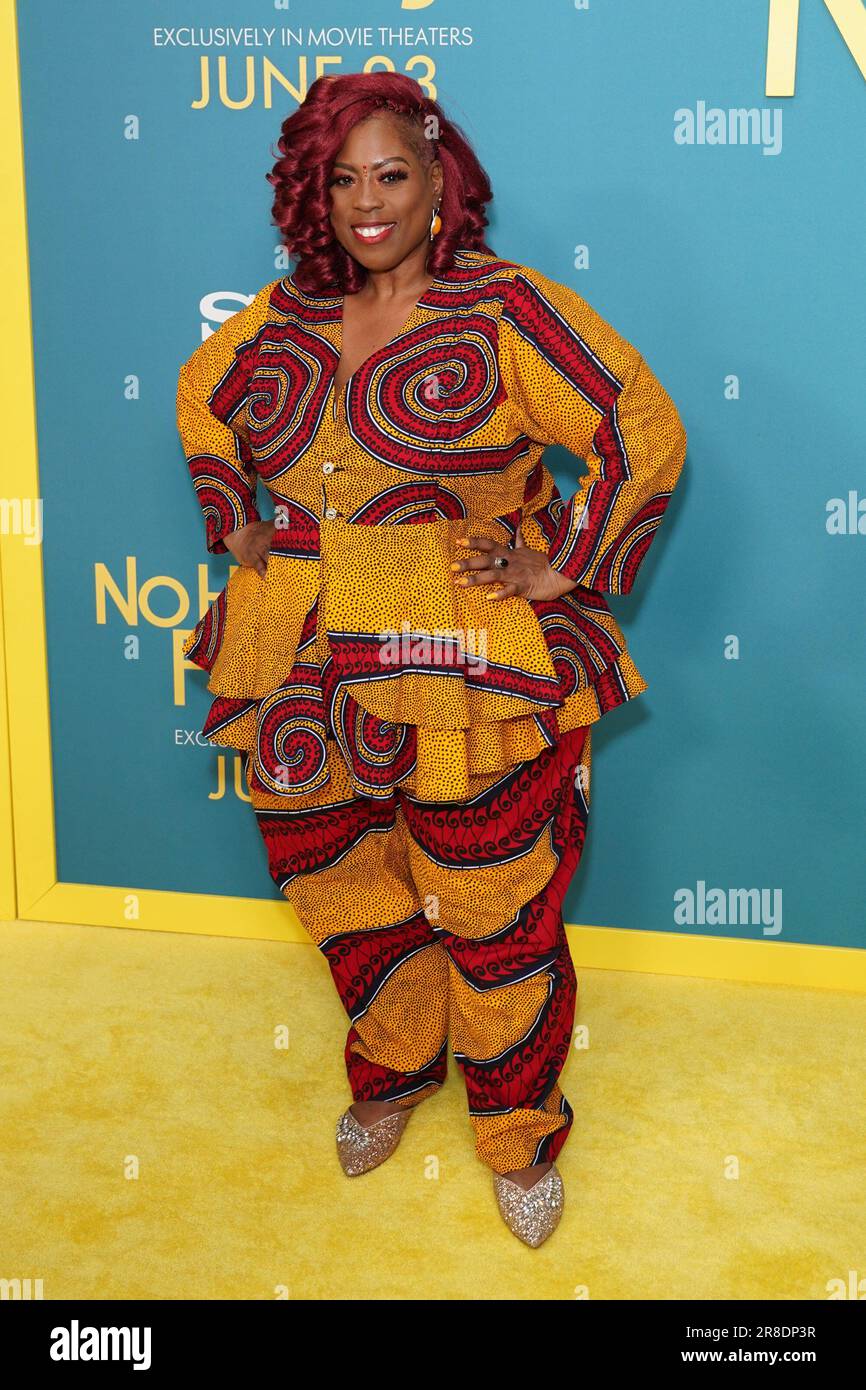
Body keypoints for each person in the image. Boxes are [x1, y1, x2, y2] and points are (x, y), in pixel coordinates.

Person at [176, 71, 687, 1248]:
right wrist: (232, 516)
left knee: (492, 903)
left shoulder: (504, 310)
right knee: (332, 874)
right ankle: (396, 1061)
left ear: (435, 179)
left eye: (390, 174)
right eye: (340, 180)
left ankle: (515, 1129)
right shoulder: (284, 310)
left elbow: (634, 420)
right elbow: (204, 402)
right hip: (298, 647)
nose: (367, 202)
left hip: (456, 648)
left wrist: (565, 565)